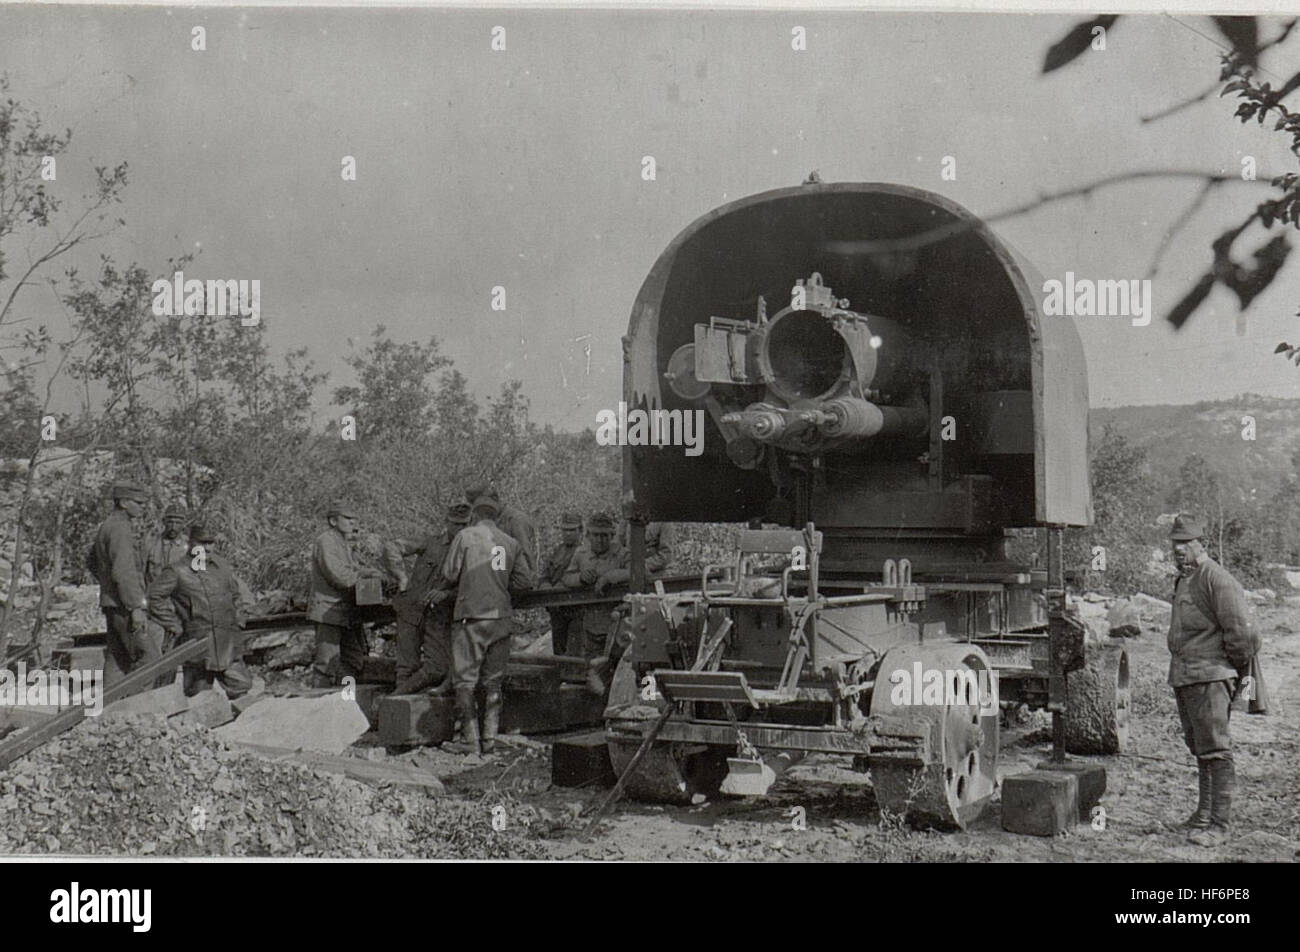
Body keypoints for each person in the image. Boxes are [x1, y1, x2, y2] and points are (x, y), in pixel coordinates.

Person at [1167, 513, 1260, 847]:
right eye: (1175, 543)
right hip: (1188, 676)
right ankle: (1203, 816)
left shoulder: (1216, 579)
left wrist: (1229, 672)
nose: (1179, 549)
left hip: (1210, 677)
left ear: (1200, 543)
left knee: (1217, 751)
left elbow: (1244, 635)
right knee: (1201, 750)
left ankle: (1220, 824)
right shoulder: (1186, 579)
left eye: (1186, 543)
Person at [438, 494, 533, 754]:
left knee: (465, 681)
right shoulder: (509, 542)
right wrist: (500, 589)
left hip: (471, 617)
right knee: (493, 681)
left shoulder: (465, 537)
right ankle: (490, 740)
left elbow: (449, 573)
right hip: (500, 618)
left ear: (475, 515)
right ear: (496, 516)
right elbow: (525, 582)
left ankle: (469, 742)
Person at [147, 523, 253, 698]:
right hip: (198, 643)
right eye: (202, 543)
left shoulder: (222, 566)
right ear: (191, 544)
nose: (207, 548)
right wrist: (173, 624)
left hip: (226, 640)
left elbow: (236, 595)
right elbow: (153, 597)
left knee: (241, 687)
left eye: (210, 543)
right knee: (198, 695)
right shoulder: (177, 570)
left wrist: (239, 620)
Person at [388, 502, 471, 695]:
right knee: (406, 667)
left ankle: (395, 699)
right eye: (455, 524)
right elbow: (392, 547)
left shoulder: (471, 551)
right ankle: (397, 711)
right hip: (411, 611)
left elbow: (473, 587)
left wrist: (448, 594)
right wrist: (401, 576)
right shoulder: (429, 542)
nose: (460, 529)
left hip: (439, 615)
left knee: (437, 667)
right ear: (446, 522)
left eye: (465, 525)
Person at [86, 481, 159, 687]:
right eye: (139, 502)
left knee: (117, 660)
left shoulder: (108, 525)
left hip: (112, 604)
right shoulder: (121, 529)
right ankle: (136, 711)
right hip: (124, 607)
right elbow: (124, 573)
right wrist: (136, 607)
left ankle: (110, 712)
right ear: (124, 503)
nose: (143, 507)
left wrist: (109, 588)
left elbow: (92, 562)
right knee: (149, 658)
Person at [307, 500, 382, 688]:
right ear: (333, 521)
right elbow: (339, 576)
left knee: (353, 660)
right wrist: (363, 576)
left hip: (345, 612)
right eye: (347, 518)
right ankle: (319, 709)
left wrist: (367, 572)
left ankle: (346, 702)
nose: (353, 523)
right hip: (328, 610)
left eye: (354, 519)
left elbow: (351, 569)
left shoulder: (343, 543)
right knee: (327, 664)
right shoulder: (326, 541)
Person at [561, 512, 627, 658]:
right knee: (592, 666)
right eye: (595, 535)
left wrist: (611, 576)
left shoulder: (622, 554)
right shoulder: (581, 553)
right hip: (590, 623)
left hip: (617, 623)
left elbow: (639, 573)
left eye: (604, 535)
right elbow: (566, 578)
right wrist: (580, 578)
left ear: (612, 535)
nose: (599, 540)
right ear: (588, 535)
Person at [464, 483, 537, 584]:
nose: (476, 510)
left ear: (494, 500)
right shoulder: (480, 518)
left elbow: (526, 558)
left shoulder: (516, 520)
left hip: (514, 585)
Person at [541, 511, 583, 654]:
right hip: (557, 609)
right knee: (559, 650)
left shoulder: (586, 552)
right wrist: (547, 589)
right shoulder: (556, 551)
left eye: (572, 530)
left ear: (580, 530)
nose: (568, 534)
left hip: (577, 609)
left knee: (575, 651)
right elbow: (545, 575)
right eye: (565, 530)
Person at [141, 503, 190, 586]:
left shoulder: (189, 546)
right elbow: (140, 573)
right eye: (170, 522)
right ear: (164, 521)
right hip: (153, 594)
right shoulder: (151, 543)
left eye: (178, 523)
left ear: (184, 524)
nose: (173, 527)